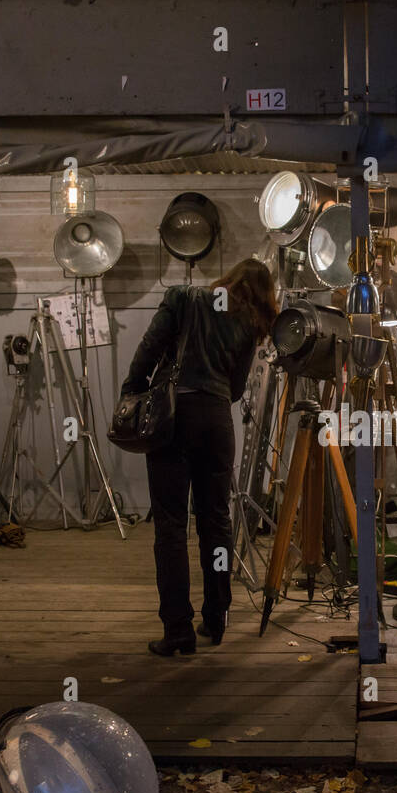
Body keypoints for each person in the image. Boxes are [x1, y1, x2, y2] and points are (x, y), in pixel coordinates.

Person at [121, 259, 276, 656]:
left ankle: (177, 631)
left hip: (174, 419)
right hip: (217, 422)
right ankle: (216, 616)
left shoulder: (184, 298)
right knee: (216, 521)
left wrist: (132, 393)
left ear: (229, 278)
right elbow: (238, 387)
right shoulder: (249, 322)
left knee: (171, 527)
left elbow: (149, 349)